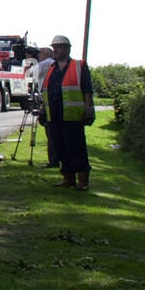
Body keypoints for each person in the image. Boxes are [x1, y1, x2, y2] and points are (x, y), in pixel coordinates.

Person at [40, 34, 95, 190]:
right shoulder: (52, 69)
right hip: (55, 116)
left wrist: (89, 108)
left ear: (67, 48)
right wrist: (43, 110)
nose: (55, 50)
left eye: (58, 47)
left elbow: (87, 89)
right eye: (53, 47)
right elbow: (47, 91)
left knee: (76, 148)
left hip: (73, 117)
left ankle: (83, 181)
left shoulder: (79, 66)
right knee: (60, 148)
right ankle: (68, 178)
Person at [27, 46, 57, 167]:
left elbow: (30, 74)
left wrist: (31, 60)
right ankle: (56, 160)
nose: (38, 55)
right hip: (51, 100)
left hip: (46, 100)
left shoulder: (45, 63)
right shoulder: (54, 63)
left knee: (50, 132)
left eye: (40, 53)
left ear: (45, 54)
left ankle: (53, 161)